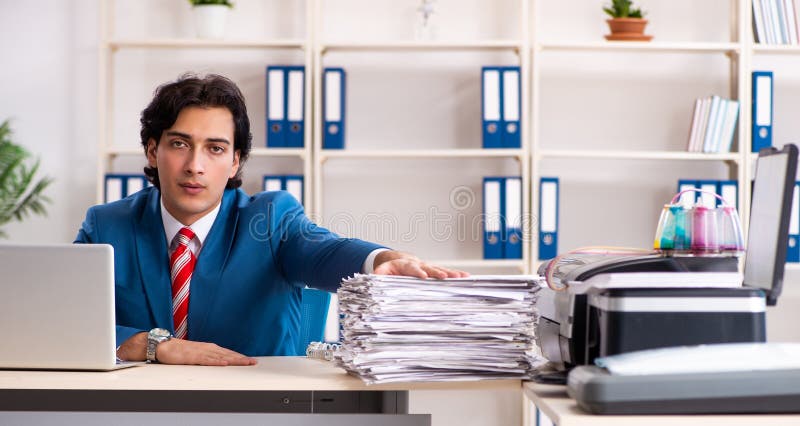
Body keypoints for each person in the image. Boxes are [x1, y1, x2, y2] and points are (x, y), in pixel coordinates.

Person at [74, 73, 467, 366]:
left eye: (215, 149)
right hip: (139, 411)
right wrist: (155, 345)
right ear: (151, 150)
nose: (195, 166)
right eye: (179, 144)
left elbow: (324, 250)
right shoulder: (107, 225)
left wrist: (380, 259)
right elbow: (65, 321)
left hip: (260, 409)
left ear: (235, 162)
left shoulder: (271, 218)